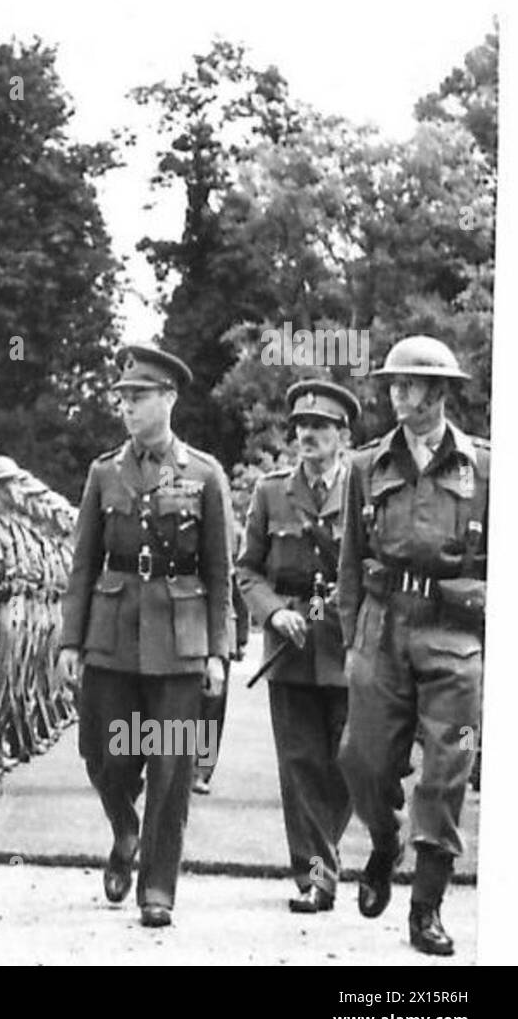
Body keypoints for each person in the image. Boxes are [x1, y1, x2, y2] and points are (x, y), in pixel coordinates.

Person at [58, 345, 233, 928]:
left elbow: (218, 573)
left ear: (169, 399)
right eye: (123, 398)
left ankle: (158, 887)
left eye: (138, 397)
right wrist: (68, 641)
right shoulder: (104, 472)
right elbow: (83, 564)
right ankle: (123, 828)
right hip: (111, 632)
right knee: (105, 753)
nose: (127, 407)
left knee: (172, 765)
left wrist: (217, 650)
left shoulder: (205, 474)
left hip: (181, 638)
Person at [338, 337, 487, 957]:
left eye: (410, 383)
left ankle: (425, 908)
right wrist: (351, 639)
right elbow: (350, 562)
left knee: (447, 772)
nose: (397, 392)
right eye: (393, 382)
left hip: (454, 635)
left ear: (440, 391)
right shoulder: (367, 466)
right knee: (360, 760)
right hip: (382, 625)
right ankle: (382, 839)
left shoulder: (486, 467)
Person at [238, 380, 359, 912]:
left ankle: (326, 857)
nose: (308, 436)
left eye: (320, 427)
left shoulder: (364, 489)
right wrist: (273, 610)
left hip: (347, 644)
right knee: (300, 764)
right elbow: (247, 569)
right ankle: (316, 875)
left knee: (352, 762)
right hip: (290, 649)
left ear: (342, 436)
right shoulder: (270, 492)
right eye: (302, 427)